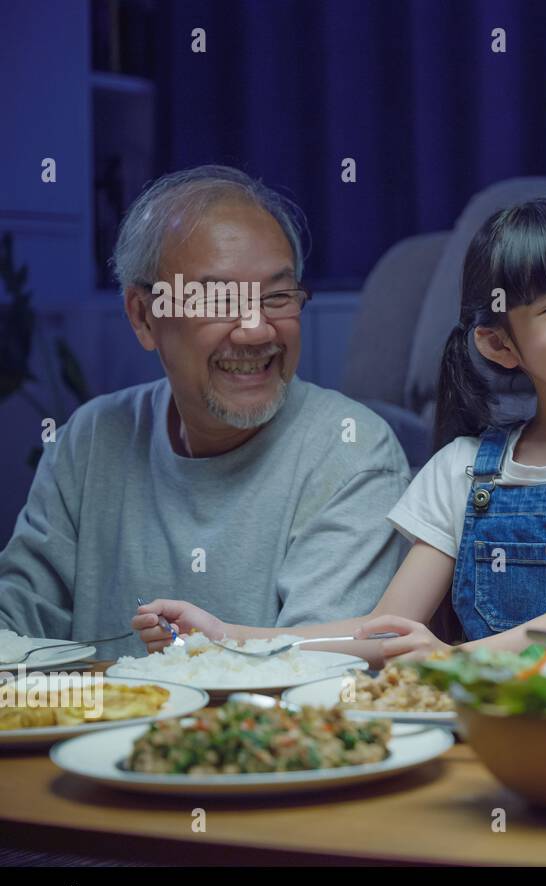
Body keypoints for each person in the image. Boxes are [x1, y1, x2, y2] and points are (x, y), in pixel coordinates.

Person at [135, 198, 546, 658]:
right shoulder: (460, 470)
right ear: (500, 344)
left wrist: (453, 663)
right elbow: (385, 634)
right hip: (485, 729)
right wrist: (230, 637)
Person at [0, 165, 411, 659]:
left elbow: (315, 676)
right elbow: (13, 631)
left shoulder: (352, 451)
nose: (256, 330)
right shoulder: (89, 439)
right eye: (216, 299)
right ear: (143, 316)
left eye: (277, 296)